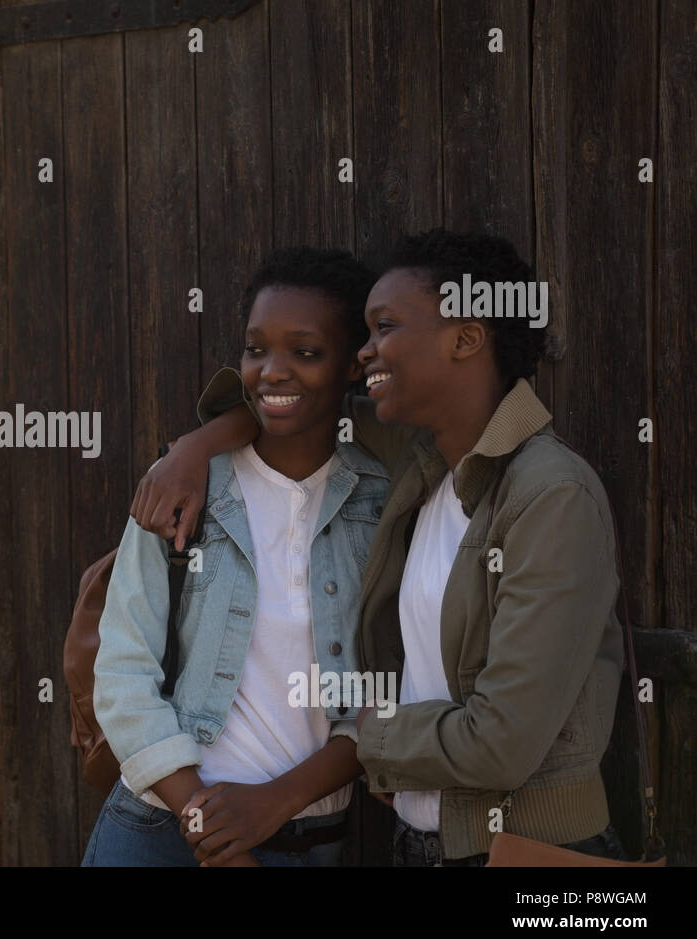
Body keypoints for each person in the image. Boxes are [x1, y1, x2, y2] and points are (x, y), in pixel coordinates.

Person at [140, 229, 627, 864]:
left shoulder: (551, 495)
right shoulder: (422, 465)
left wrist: (368, 739)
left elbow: (504, 741)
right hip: (420, 844)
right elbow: (290, 407)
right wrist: (194, 449)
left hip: (525, 853)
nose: (366, 352)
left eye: (385, 328)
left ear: (466, 337)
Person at [82, 248, 388, 867]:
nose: (272, 372)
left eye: (305, 352)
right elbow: (122, 672)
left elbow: (391, 699)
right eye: (256, 349)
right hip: (158, 834)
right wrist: (206, 822)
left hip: (306, 842)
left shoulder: (382, 504)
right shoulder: (188, 488)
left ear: (352, 367)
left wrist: (273, 803)